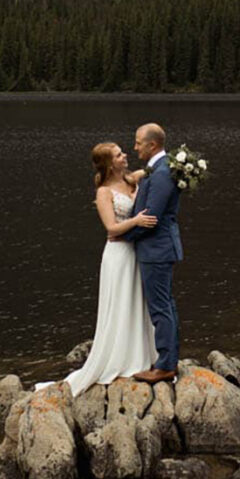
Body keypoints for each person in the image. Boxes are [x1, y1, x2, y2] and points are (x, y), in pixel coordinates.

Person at [62, 141, 160, 395]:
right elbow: (111, 229)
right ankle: (120, 357)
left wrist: (182, 166)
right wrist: (137, 220)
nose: (125, 155)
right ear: (109, 163)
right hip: (118, 254)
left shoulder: (133, 179)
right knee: (120, 302)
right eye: (118, 154)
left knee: (138, 301)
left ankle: (144, 353)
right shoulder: (104, 192)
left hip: (137, 251)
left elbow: (156, 168)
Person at [125, 122, 183, 384]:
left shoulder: (161, 173)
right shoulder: (159, 168)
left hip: (157, 249)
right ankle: (167, 359)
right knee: (165, 305)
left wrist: (122, 235)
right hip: (158, 248)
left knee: (160, 307)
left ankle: (165, 366)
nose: (135, 147)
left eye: (138, 143)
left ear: (152, 145)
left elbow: (151, 217)